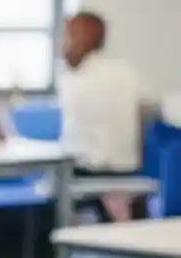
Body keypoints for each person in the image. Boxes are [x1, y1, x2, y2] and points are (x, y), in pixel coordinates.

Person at [58, 11, 153, 222]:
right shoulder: (125, 70)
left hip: (88, 173)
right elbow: (148, 109)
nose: (62, 44)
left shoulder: (75, 79)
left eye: (67, 36)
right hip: (128, 172)